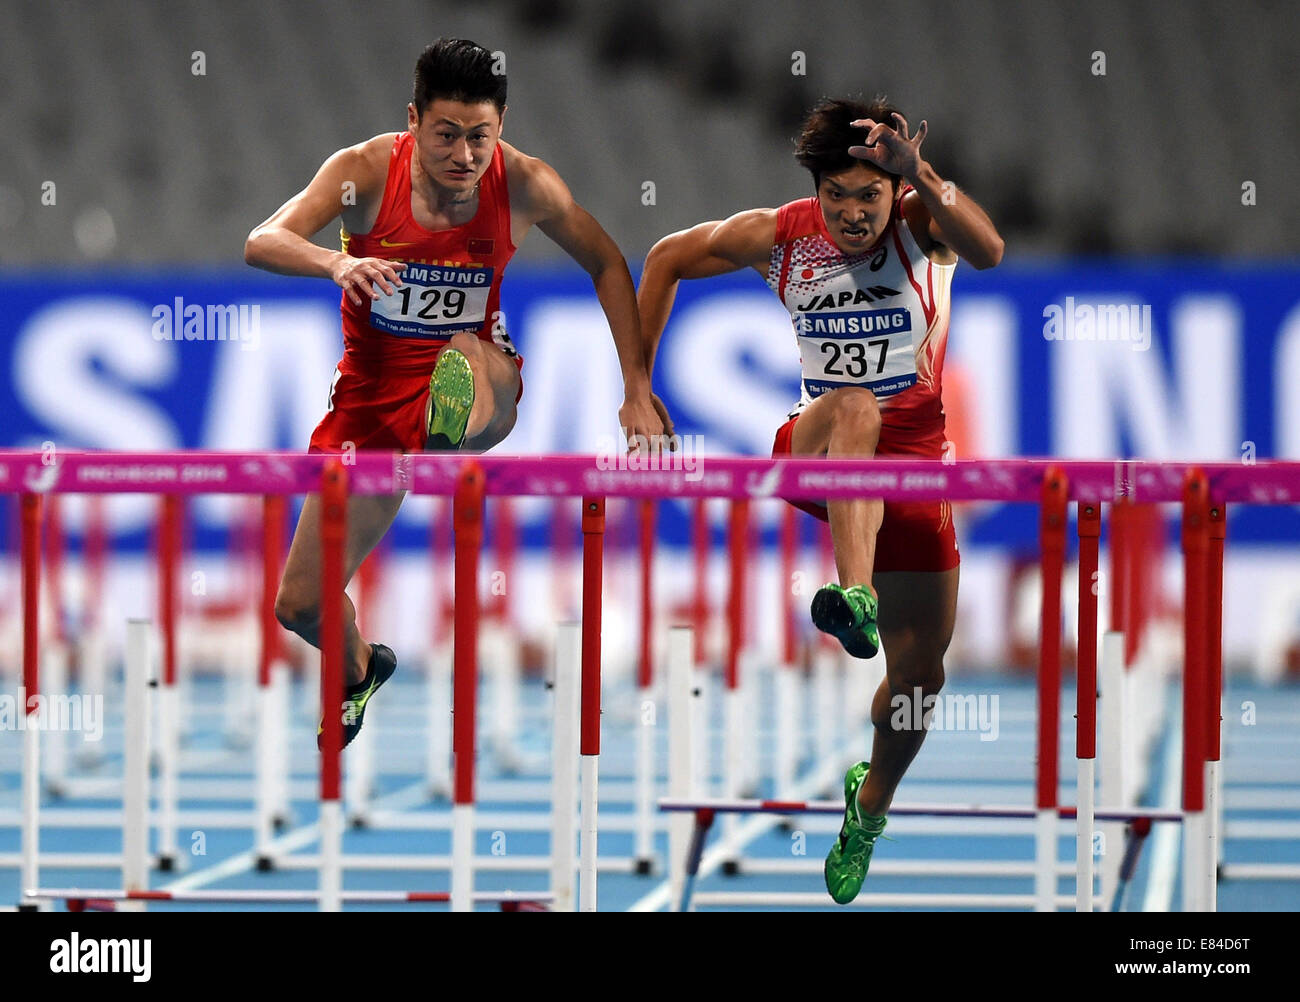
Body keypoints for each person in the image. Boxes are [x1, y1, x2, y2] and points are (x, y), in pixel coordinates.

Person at [245, 38, 664, 749]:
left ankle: (449, 424)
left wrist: (636, 386)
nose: (465, 156)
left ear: (500, 128)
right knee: (298, 604)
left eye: (481, 137)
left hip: (482, 385)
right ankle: (357, 670)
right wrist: (333, 263)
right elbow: (262, 239)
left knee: (466, 355)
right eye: (446, 135)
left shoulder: (526, 184)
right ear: (413, 121)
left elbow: (605, 260)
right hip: (371, 406)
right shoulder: (365, 173)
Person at [636, 97, 1003, 903]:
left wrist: (921, 177)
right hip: (820, 445)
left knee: (920, 679)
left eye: (866, 197)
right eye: (836, 195)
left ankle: (869, 805)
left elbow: (992, 251)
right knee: (854, 406)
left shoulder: (920, 222)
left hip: (913, 472)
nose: (851, 213)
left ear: (890, 189)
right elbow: (663, 257)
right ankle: (855, 594)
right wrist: (638, 385)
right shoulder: (781, 234)